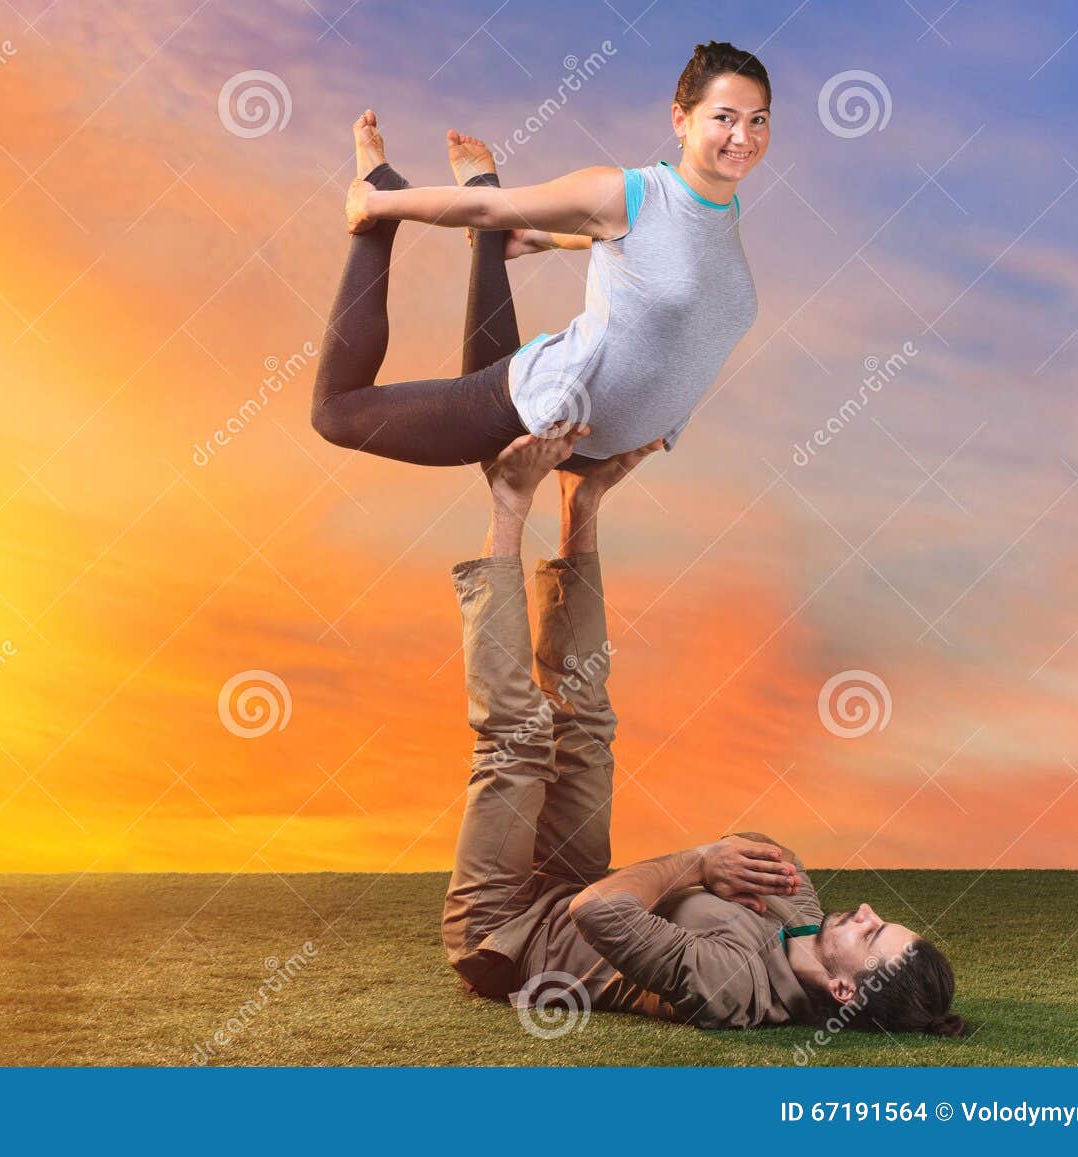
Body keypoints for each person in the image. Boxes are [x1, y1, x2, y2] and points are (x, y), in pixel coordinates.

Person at [442, 425, 966, 1036]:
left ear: (846, 989)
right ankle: (579, 500)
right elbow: (763, 845)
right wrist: (723, 865)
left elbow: (598, 912)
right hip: (571, 877)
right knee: (586, 724)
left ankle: (507, 498)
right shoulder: (800, 910)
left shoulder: (734, 986)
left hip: (501, 930)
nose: (868, 913)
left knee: (520, 742)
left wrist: (700, 862)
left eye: (871, 934)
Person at [311, 41, 767, 470]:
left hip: (580, 431)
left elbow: (651, 252)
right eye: (724, 118)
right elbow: (490, 211)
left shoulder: (722, 211)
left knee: (492, 394)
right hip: (553, 400)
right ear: (681, 120)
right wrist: (375, 205)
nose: (743, 136)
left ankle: (491, 227)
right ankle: (384, 196)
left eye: (758, 119)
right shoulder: (626, 191)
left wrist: (540, 240)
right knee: (335, 413)